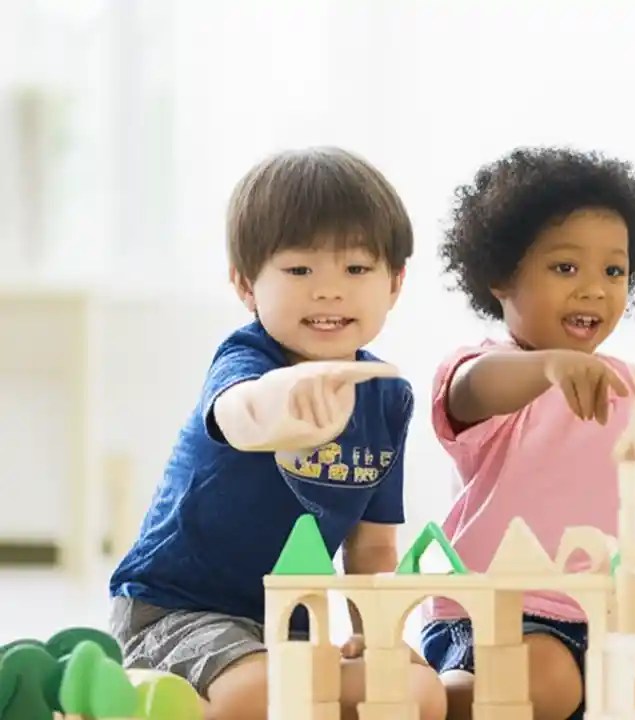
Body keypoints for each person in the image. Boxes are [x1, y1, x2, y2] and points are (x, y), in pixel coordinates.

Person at [108, 147, 446, 720]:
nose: (329, 290)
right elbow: (238, 412)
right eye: (299, 270)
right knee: (262, 695)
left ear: (395, 282)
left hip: (286, 629)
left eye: (356, 269)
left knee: (418, 694)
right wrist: (281, 401)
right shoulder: (247, 361)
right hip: (175, 610)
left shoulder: (389, 398)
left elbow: (373, 549)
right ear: (246, 284)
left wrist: (380, 638)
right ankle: (128, 696)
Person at [422, 146, 635, 720]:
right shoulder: (485, 371)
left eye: (614, 271)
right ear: (500, 275)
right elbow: (474, 389)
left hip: (612, 617)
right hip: (499, 615)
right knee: (547, 677)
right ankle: (424, 703)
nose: (594, 289)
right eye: (565, 268)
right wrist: (548, 368)